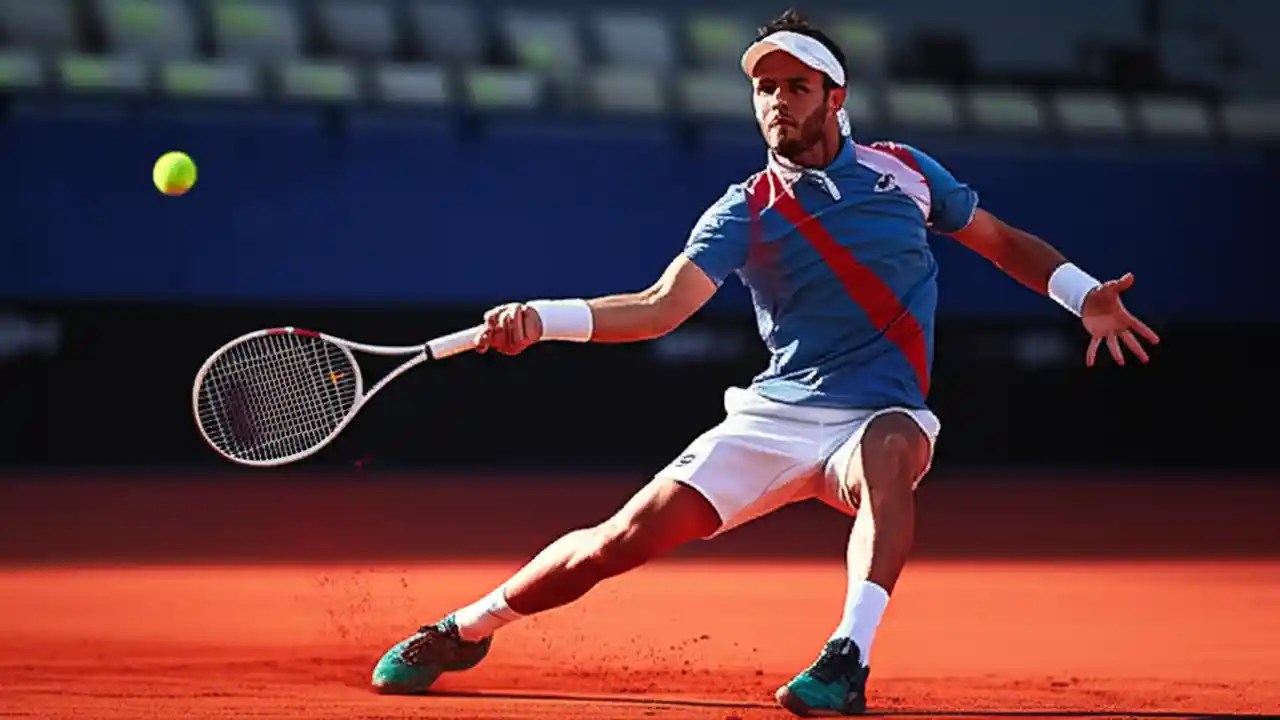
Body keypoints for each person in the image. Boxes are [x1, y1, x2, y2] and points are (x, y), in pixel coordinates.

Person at [370, 8, 1160, 716]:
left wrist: (1084, 294)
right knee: (620, 539)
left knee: (891, 452)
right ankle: (465, 629)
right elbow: (659, 308)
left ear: (834, 97)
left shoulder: (904, 173)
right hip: (775, 416)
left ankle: (846, 658)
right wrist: (541, 320)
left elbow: (1002, 242)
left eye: (795, 86)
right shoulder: (743, 209)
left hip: (879, 413)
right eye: (765, 89)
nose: (776, 102)